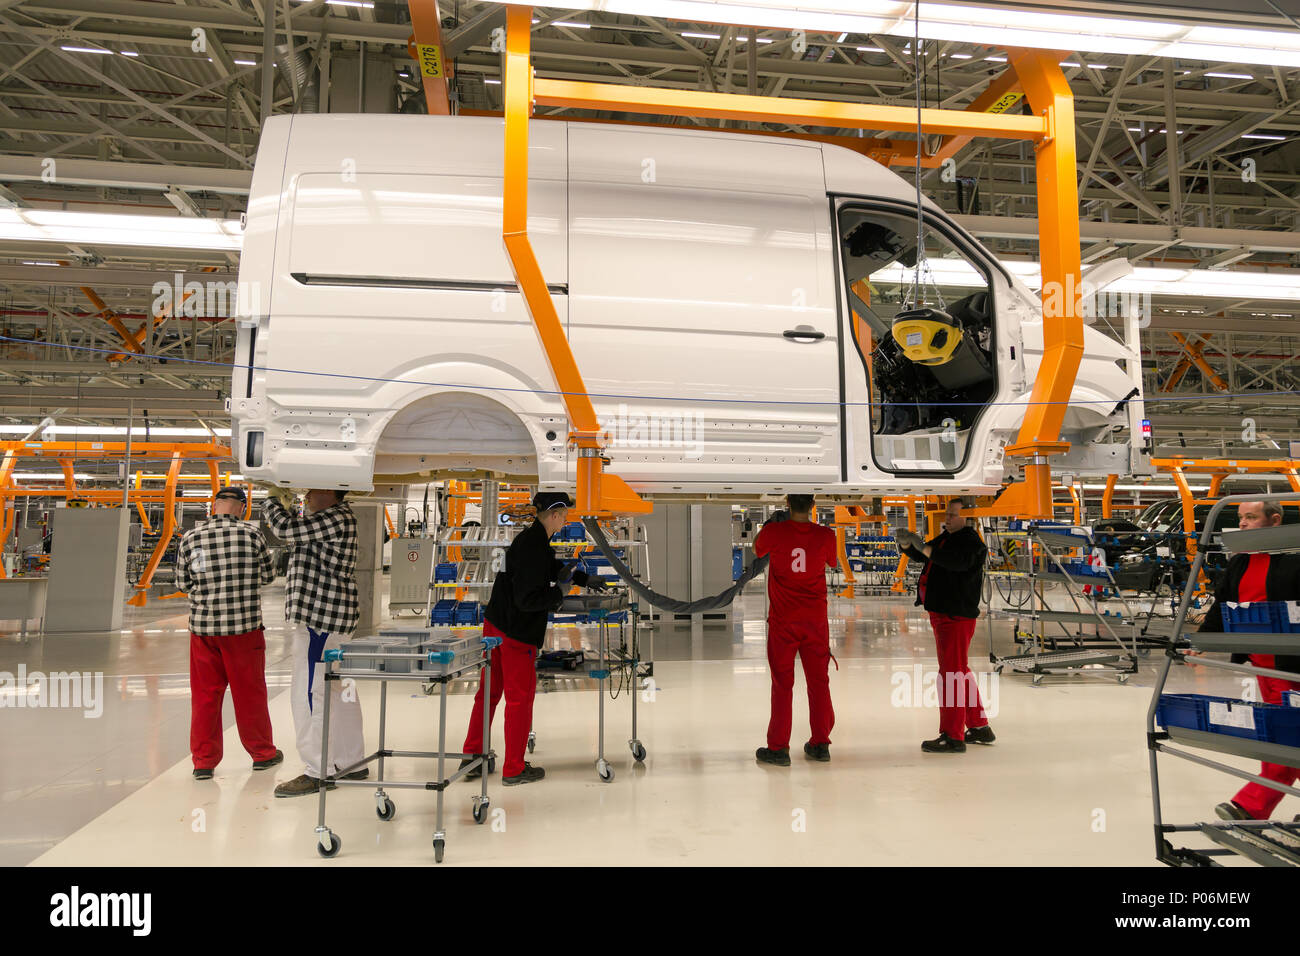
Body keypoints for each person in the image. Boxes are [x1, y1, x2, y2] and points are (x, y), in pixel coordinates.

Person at [459, 492, 605, 786]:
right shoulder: (536, 546)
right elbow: (528, 600)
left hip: (495, 627)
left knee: (488, 694)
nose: (565, 521)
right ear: (553, 515)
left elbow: (550, 569)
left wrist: (581, 579)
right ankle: (513, 768)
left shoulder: (531, 540)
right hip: (516, 634)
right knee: (519, 698)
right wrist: (559, 594)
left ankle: (473, 756)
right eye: (563, 515)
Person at [1199, 501, 1300, 822]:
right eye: (1240, 518)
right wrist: (1203, 640)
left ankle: (1250, 805)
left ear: (1274, 521)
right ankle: (1250, 806)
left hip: (1291, 662)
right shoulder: (1241, 561)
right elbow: (1223, 601)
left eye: (1250, 517)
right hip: (1261, 663)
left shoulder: (1293, 559)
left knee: (1288, 734)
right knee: (1284, 732)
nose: (1242, 523)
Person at [261, 487, 364, 798]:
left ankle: (316, 770)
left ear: (331, 492)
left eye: (312, 490)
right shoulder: (331, 518)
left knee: (309, 693)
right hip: (331, 619)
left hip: (321, 621)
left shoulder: (335, 517)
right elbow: (300, 530)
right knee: (339, 690)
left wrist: (272, 501)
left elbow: (285, 530)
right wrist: (290, 506)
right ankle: (351, 761)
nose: (305, 496)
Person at [175, 486, 281, 780]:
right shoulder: (251, 535)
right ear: (242, 508)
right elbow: (269, 576)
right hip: (243, 630)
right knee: (250, 694)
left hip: (204, 630)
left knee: (205, 697)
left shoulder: (191, 538)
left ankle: (204, 762)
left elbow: (183, 584)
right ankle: (262, 754)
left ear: (215, 506)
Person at [896, 498, 993, 754]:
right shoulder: (945, 538)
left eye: (952, 515)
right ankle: (979, 725)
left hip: (955, 616)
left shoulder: (971, 543)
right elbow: (923, 553)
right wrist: (907, 544)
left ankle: (953, 735)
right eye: (947, 514)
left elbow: (953, 562)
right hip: (944, 614)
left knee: (950, 675)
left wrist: (924, 549)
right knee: (959, 670)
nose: (947, 519)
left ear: (968, 517)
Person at [753, 494, 839, 766]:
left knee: (782, 685)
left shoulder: (775, 532)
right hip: (815, 623)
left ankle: (778, 748)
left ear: (787, 503)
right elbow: (832, 563)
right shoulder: (826, 535)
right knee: (819, 682)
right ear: (813, 505)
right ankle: (820, 743)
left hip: (784, 623)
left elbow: (757, 549)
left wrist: (768, 526)